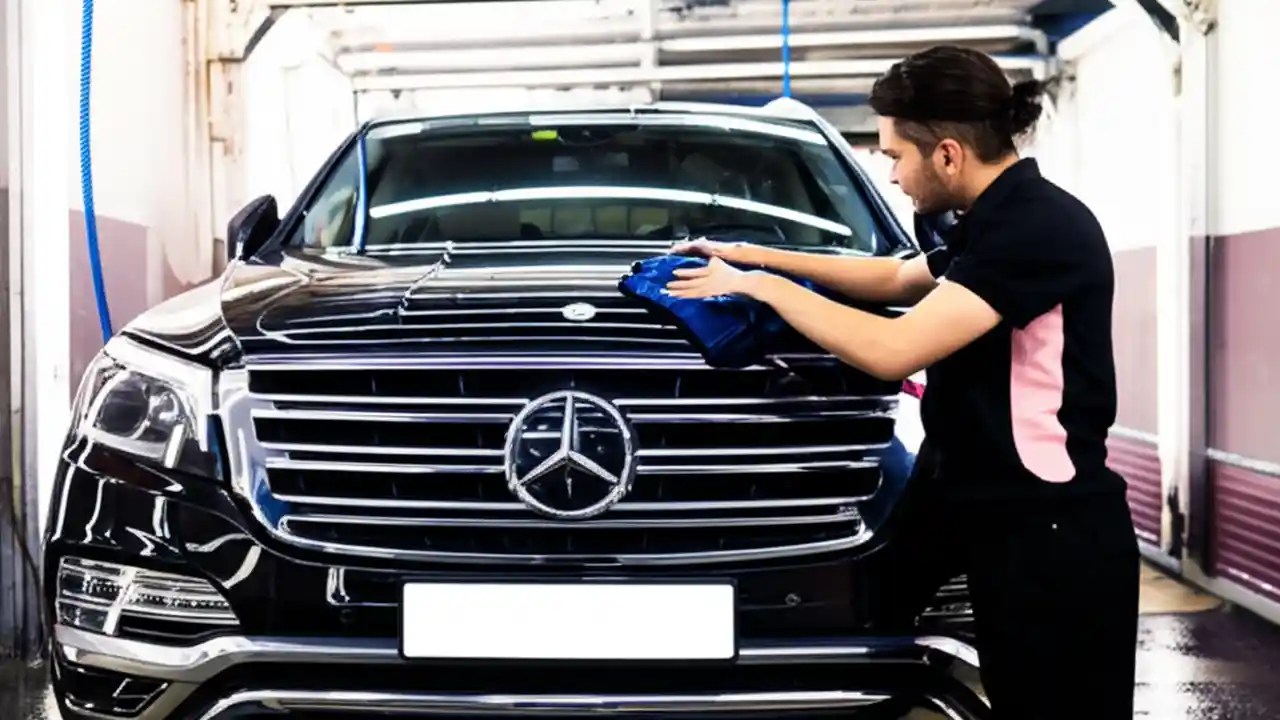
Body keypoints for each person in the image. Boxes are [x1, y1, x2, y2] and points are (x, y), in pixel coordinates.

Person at [666, 45, 1139, 720]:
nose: (892, 175)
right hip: (970, 495)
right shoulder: (991, 219)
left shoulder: (1038, 229)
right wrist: (751, 252)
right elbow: (896, 277)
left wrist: (762, 288)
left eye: (894, 156)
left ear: (947, 153)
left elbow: (893, 349)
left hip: (1047, 526)